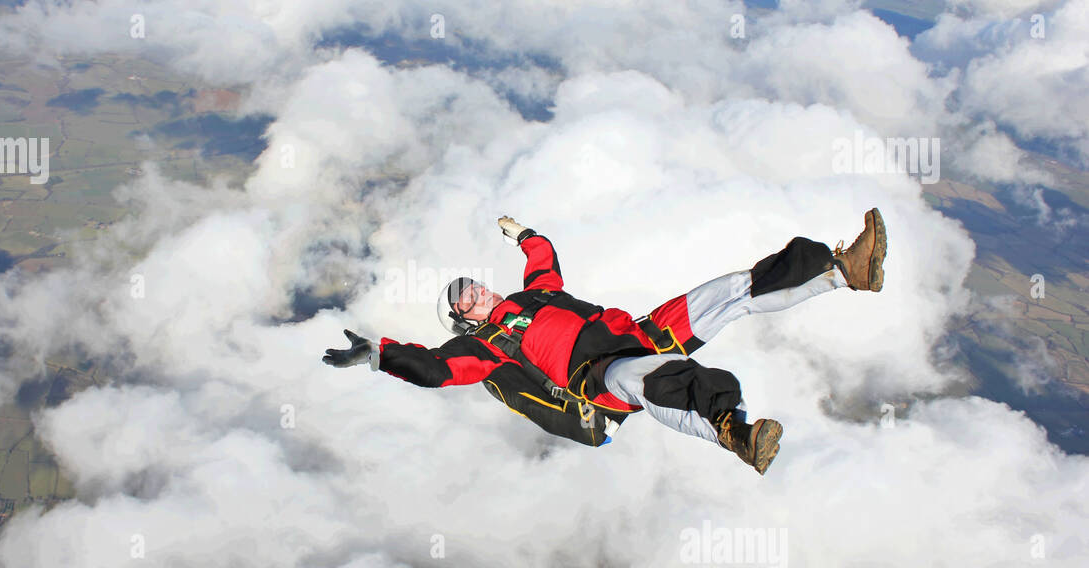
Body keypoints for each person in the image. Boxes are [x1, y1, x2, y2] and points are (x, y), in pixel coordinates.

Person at [323, 210, 887, 474]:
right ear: (463, 321)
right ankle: (733, 430)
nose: (475, 290)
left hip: (639, 332)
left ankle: (842, 270)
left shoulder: (530, 300)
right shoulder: (487, 350)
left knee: (732, 290)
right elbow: (432, 369)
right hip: (598, 382)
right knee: (651, 382)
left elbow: (545, 264)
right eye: (463, 297)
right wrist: (377, 354)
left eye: (471, 282)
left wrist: (525, 236)